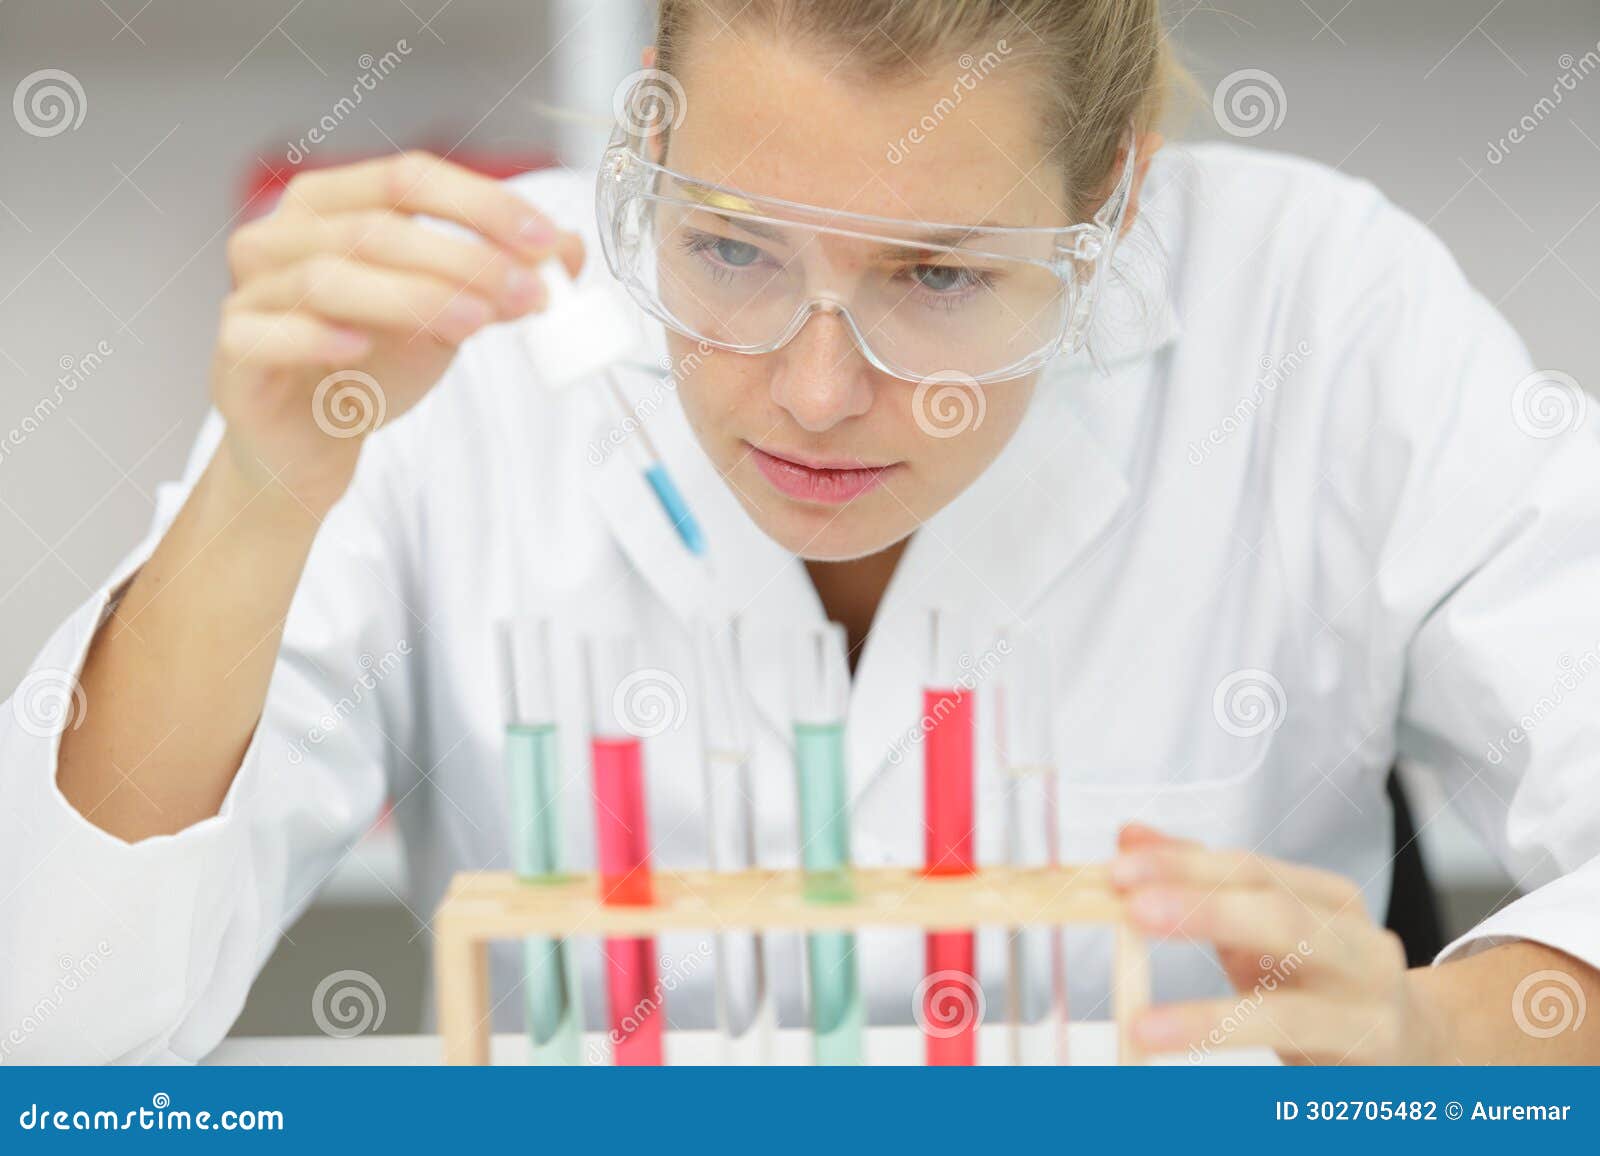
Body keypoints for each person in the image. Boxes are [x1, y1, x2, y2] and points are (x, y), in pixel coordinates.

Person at [3, 0, 1598, 1065]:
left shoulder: (1322, 312)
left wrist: (1441, 1034)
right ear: (647, 141)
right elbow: (51, 1020)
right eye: (731, 248)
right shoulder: (456, 333)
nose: (817, 393)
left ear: (1115, 202)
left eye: (940, 275)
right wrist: (258, 501)